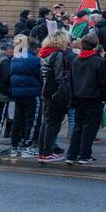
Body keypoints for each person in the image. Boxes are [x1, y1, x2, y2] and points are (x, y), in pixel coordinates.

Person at [65, 35, 106, 164]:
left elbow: (71, 80)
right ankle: (85, 155)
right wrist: (105, 97)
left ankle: (72, 155)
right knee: (90, 129)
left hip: (78, 97)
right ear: (95, 46)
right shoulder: (98, 61)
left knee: (78, 127)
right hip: (94, 98)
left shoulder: (76, 60)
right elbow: (103, 82)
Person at [37, 31, 73, 161]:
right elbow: (59, 77)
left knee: (46, 122)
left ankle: (42, 152)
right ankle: (47, 152)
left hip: (45, 91)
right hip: (55, 93)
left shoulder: (43, 53)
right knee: (53, 124)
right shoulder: (57, 54)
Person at [9, 34, 42, 158]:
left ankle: (15, 147)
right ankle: (27, 147)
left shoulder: (15, 57)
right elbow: (40, 76)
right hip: (32, 93)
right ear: (35, 48)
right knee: (32, 120)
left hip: (17, 92)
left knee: (18, 119)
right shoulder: (35, 60)